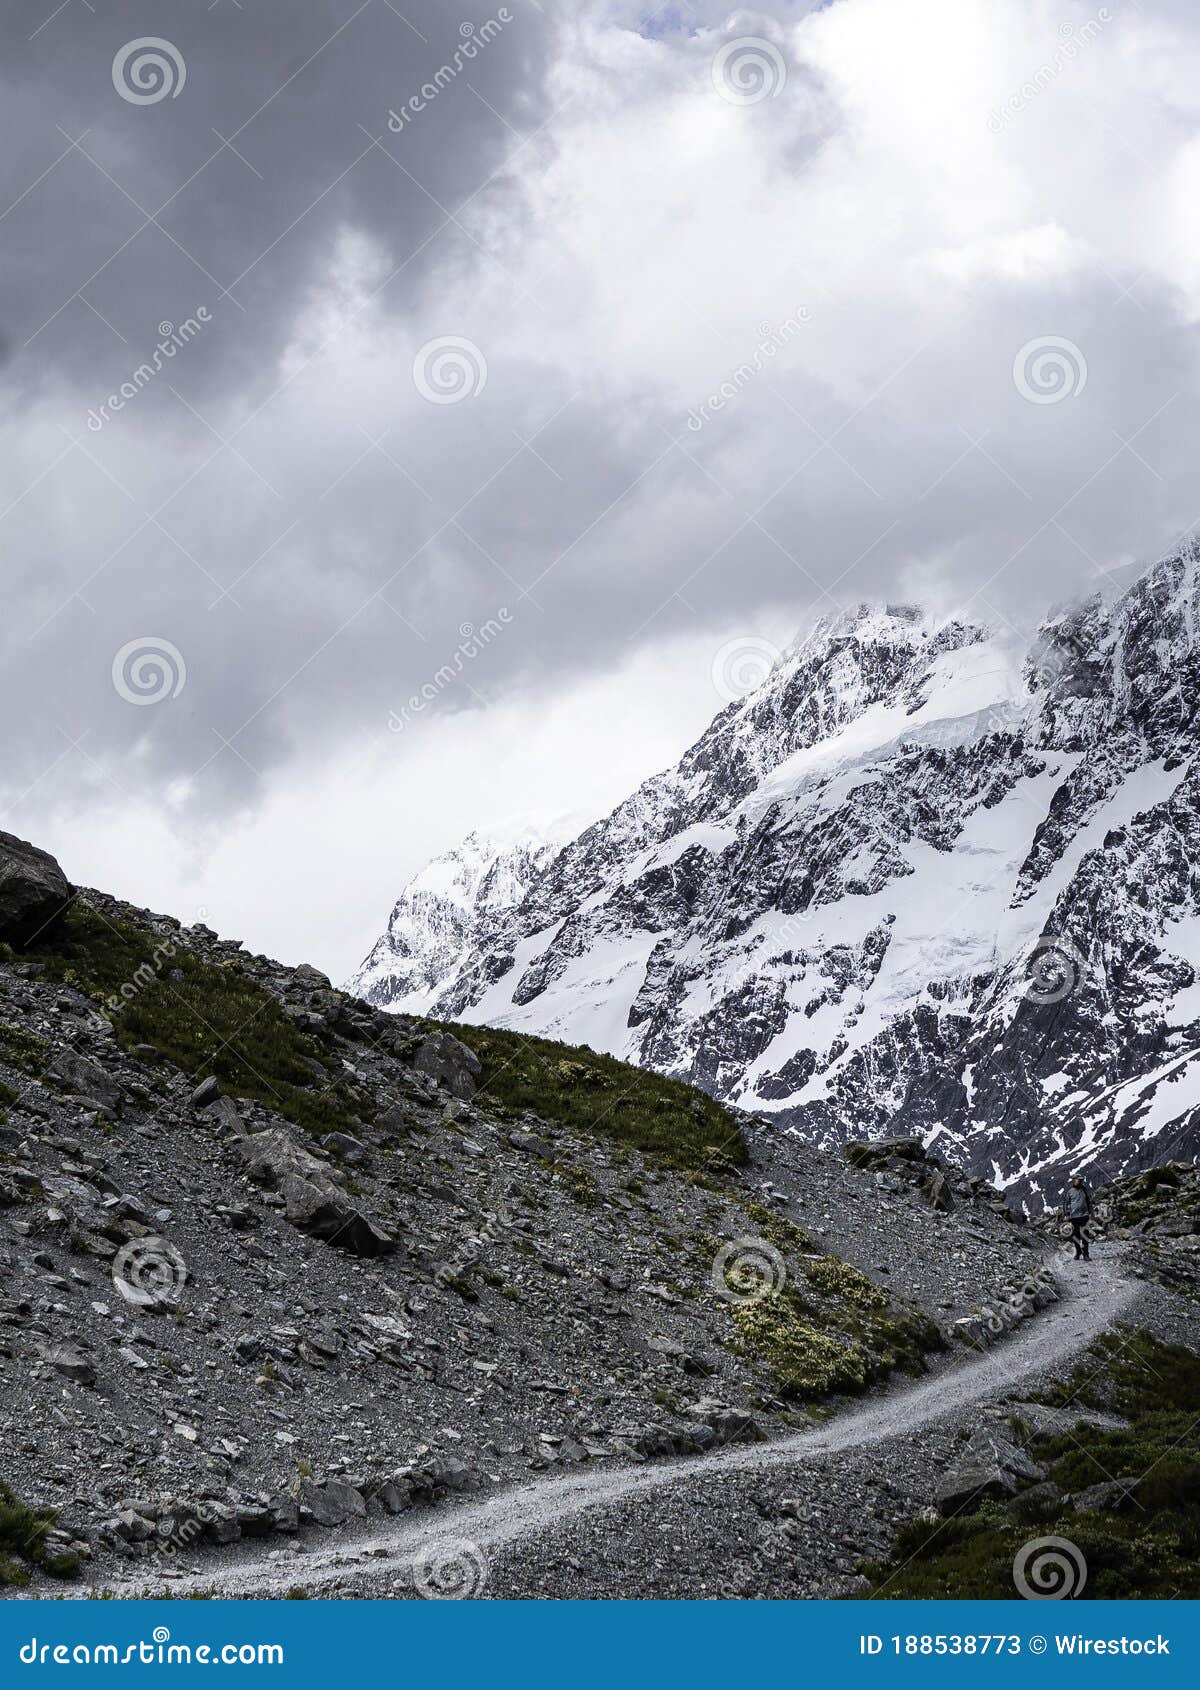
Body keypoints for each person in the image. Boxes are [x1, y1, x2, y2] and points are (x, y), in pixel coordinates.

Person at [1065, 1176, 1091, 1260]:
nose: (1080, 1182)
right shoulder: (1070, 1192)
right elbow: (1066, 1204)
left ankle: (1086, 1254)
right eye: (1078, 1180)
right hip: (1074, 1217)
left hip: (1084, 1216)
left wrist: (1091, 1212)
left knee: (1085, 1235)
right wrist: (1067, 1214)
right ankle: (1078, 1251)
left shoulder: (1084, 1190)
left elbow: (1088, 1201)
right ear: (1074, 1181)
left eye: (1081, 1180)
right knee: (1075, 1236)